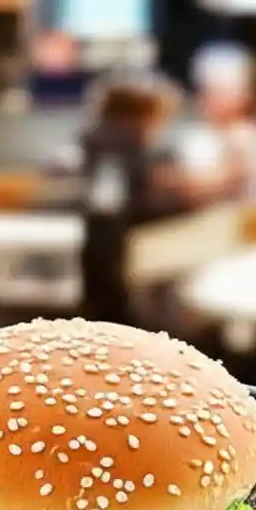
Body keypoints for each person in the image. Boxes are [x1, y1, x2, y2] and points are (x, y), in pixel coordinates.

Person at [77, 72, 193, 324]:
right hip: (118, 245)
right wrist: (181, 202)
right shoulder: (119, 147)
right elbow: (113, 203)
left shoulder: (100, 142)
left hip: (102, 242)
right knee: (119, 315)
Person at [187, 43, 256, 202]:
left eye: (223, 92)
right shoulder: (198, 137)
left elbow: (242, 177)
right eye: (209, 92)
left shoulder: (246, 135)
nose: (211, 100)